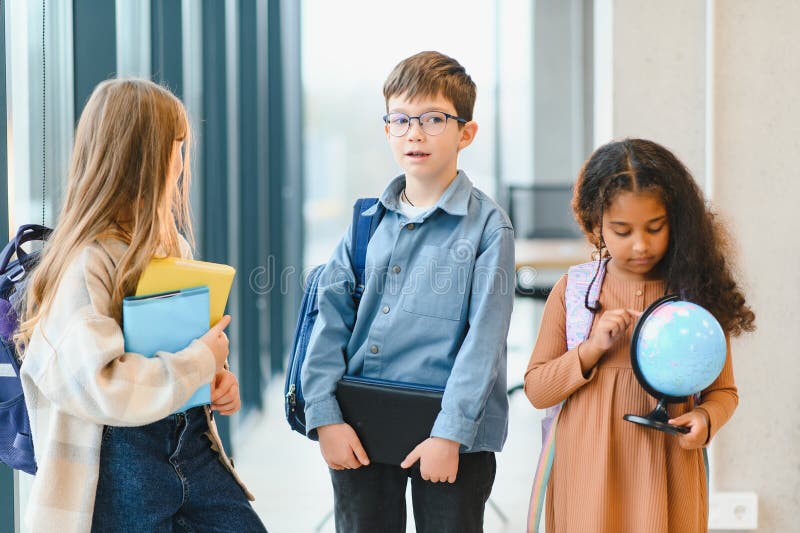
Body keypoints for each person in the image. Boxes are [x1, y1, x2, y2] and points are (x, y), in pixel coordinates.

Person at [16, 79, 266, 533]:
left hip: (189, 444)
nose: (182, 163)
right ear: (147, 158)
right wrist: (197, 361)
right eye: (178, 147)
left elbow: (179, 356)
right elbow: (102, 386)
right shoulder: (83, 264)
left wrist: (213, 379)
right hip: (118, 466)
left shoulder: (171, 248)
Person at [300, 51, 515, 533]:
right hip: (358, 429)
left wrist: (449, 434)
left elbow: (485, 343)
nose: (414, 132)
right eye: (401, 119)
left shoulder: (489, 229)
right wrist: (325, 417)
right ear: (387, 130)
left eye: (433, 119)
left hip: (450, 439)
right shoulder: (364, 222)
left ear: (466, 133)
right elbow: (328, 323)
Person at [524, 138, 756, 532]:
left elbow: (724, 392)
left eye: (655, 227)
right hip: (587, 475)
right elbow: (537, 390)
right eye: (621, 230)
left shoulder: (694, 296)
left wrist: (705, 418)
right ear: (595, 223)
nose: (640, 244)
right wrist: (591, 348)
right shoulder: (574, 291)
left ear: (677, 221)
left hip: (667, 472)